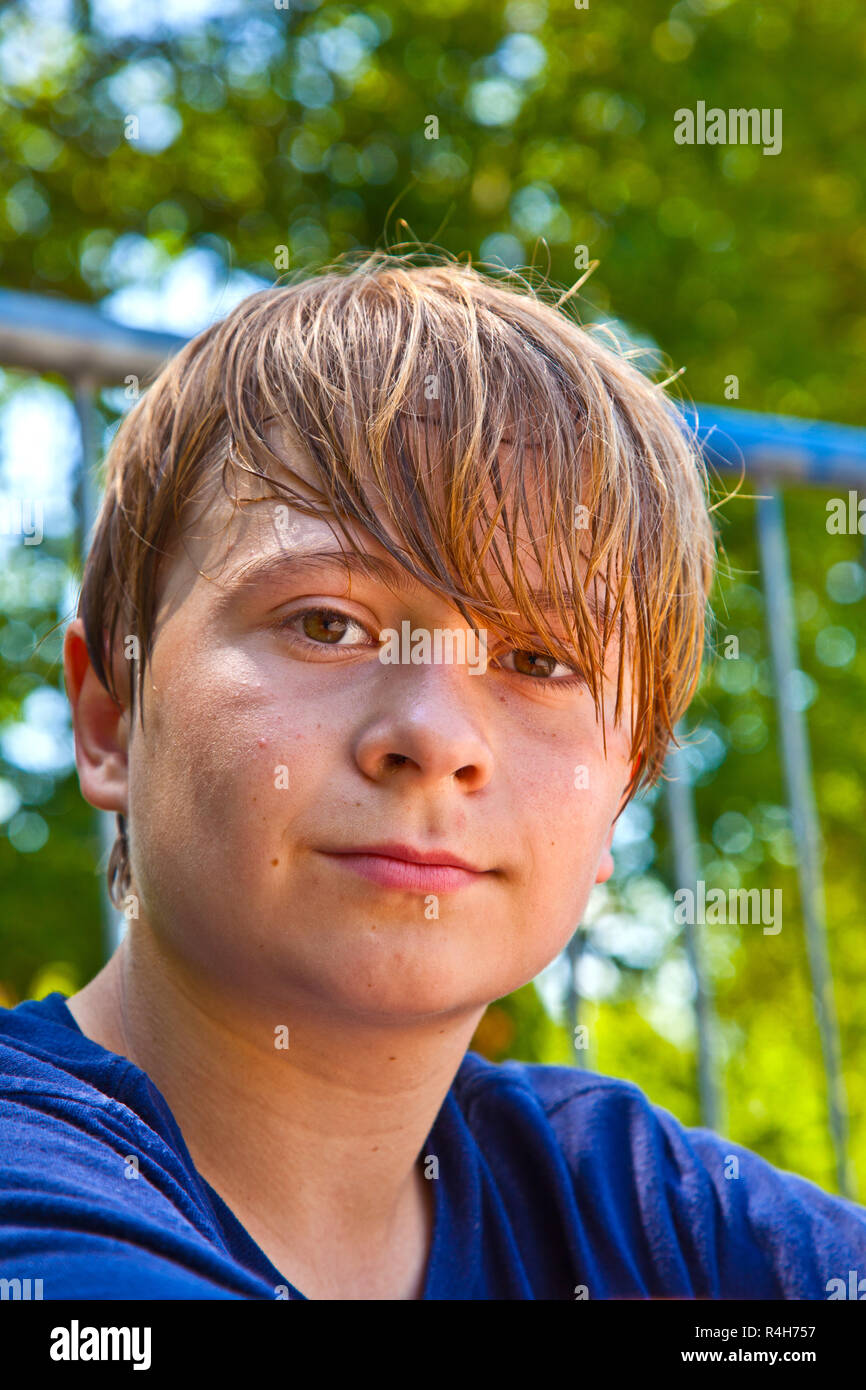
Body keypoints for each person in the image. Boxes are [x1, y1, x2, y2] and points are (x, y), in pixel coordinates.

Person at [1, 251, 864, 1300]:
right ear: (109, 718)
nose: (433, 735)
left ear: (620, 793)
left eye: (538, 661)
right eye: (326, 623)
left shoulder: (654, 1217)